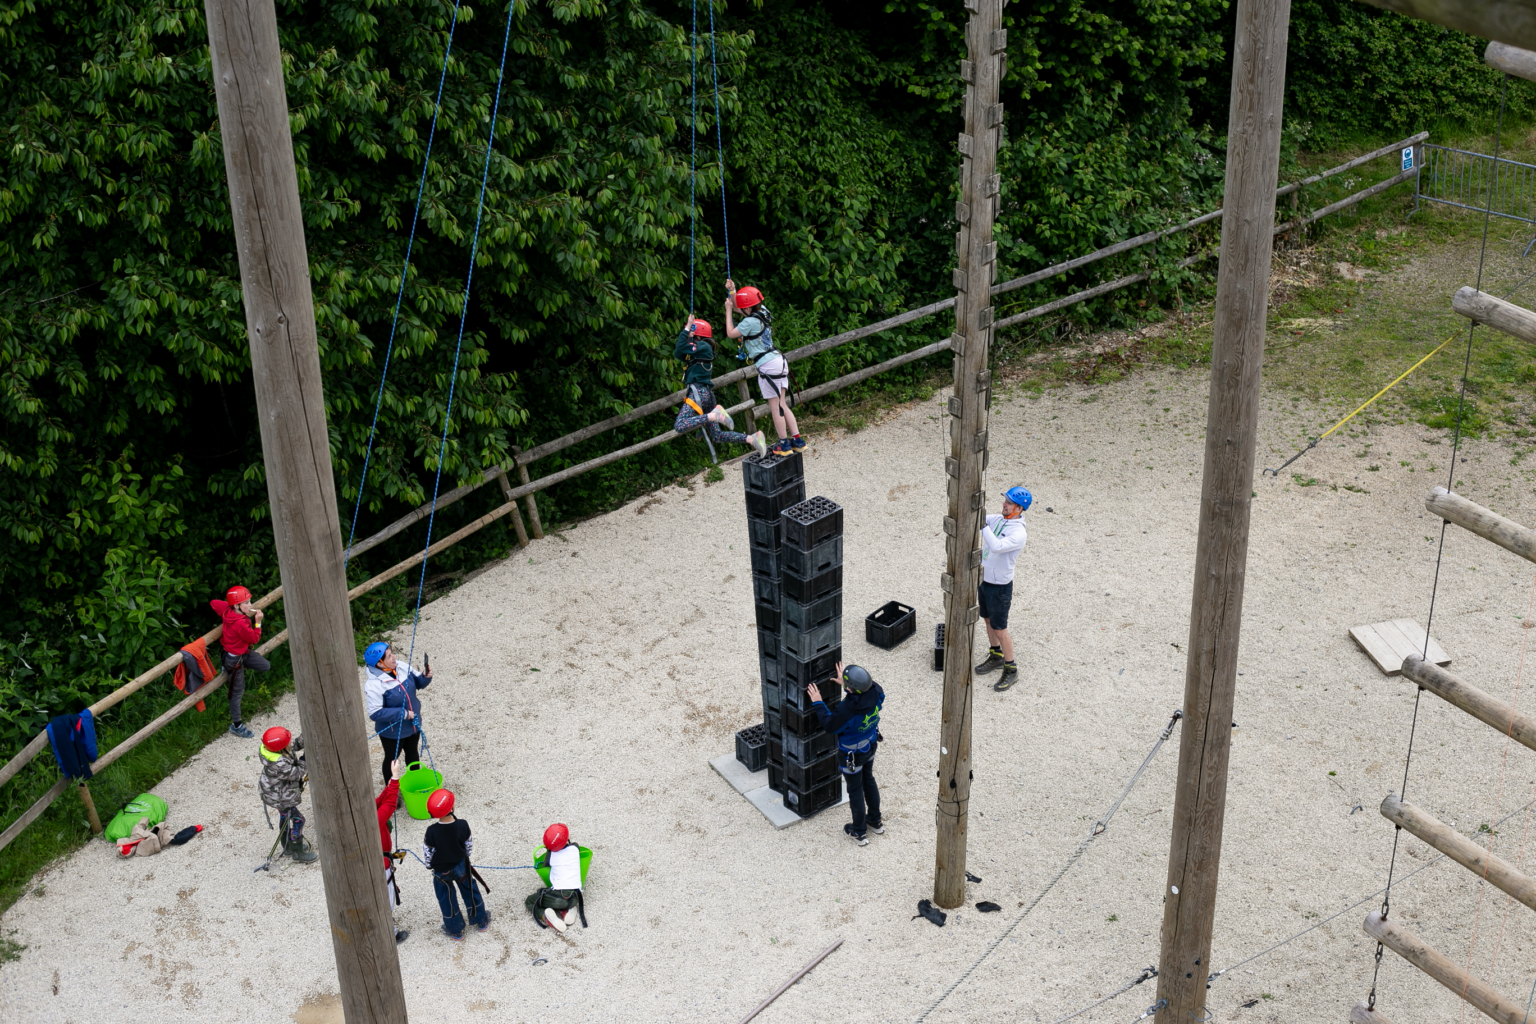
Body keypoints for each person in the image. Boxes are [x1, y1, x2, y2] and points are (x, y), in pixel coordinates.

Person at [807, 663, 885, 846]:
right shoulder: (876, 692)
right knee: (869, 780)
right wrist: (848, 685)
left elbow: (830, 725)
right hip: (871, 744)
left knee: (855, 790)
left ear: (850, 689)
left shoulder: (847, 711)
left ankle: (859, 831)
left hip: (852, 754)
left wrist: (818, 702)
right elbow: (868, 693)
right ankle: (875, 820)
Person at [723, 280, 803, 456]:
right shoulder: (763, 311)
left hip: (767, 366)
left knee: (776, 408)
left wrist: (728, 310)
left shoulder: (748, 323)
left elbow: (730, 333)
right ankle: (796, 439)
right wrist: (733, 291)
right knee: (783, 405)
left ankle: (784, 444)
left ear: (747, 308)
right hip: (778, 360)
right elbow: (741, 306)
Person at [673, 317, 768, 457]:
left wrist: (687, 330)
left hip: (698, 393)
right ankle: (752, 439)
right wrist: (688, 335)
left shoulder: (703, 347)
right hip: (704, 393)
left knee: (680, 425)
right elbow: (678, 352)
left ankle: (713, 415)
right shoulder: (698, 350)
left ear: (697, 333)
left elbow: (682, 347)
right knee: (717, 435)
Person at [975, 486, 1031, 692]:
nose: (1004, 505)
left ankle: (1011, 667)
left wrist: (982, 526)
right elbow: (983, 518)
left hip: (1000, 587)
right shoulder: (1000, 519)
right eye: (1005, 501)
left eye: (1008, 503)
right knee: (988, 620)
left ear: (1019, 508)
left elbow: (997, 546)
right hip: (985, 581)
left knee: (1000, 628)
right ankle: (996, 655)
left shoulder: (1018, 533)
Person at [422, 789, 489, 939]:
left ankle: (455, 929)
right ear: (452, 808)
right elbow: (468, 845)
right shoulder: (462, 825)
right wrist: (465, 857)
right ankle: (481, 920)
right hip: (460, 866)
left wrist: (428, 865)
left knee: (446, 898)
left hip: (441, 872)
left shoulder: (431, 831)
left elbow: (428, 852)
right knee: (470, 891)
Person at [362, 641, 432, 784]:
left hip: (413, 725)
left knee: (413, 753)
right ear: (380, 664)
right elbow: (375, 713)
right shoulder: (373, 685)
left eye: (391, 653)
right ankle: (390, 794)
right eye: (389, 656)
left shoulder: (400, 666)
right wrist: (404, 714)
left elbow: (418, 683)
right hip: (392, 732)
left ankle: (415, 785)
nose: (394, 657)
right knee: (392, 759)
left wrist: (425, 677)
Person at [210, 585, 270, 739]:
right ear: (237, 605)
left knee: (265, 666)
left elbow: (214, 603)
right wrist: (258, 622)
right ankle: (236, 726)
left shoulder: (226, 610)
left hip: (241, 653)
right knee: (237, 693)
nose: (251, 605)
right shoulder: (241, 623)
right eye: (247, 602)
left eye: (249, 601)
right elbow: (255, 638)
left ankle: (234, 667)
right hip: (234, 660)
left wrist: (228, 605)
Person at [258, 726, 316, 864]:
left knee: (285, 817)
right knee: (298, 820)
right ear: (281, 747)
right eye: (287, 743)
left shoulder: (273, 750)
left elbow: (293, 745)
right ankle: (297, 852)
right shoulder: (279, 763)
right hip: (280, 798)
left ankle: (288, 847)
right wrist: (304, 759)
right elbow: (297, 774)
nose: (290, 745)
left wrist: (306, 736)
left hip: (275, 794)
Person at [526, 823, 586, 933]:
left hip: (558, 898)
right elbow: (571, 844)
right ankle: (567, 910)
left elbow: (544, 867)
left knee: (529, 901)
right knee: (566, 899)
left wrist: (549, 850)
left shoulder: (550, 855)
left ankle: (545, 916)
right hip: (576, 895)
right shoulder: (575, 848)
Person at [378, 756, 409, 944]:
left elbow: (380, 802)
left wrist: (390, 786)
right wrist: (395, 779)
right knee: (386, 900)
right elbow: (388, 805)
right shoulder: (371, 821)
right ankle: (391, 933)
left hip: (378, 860)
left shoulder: (356, 813)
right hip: (380, 864)